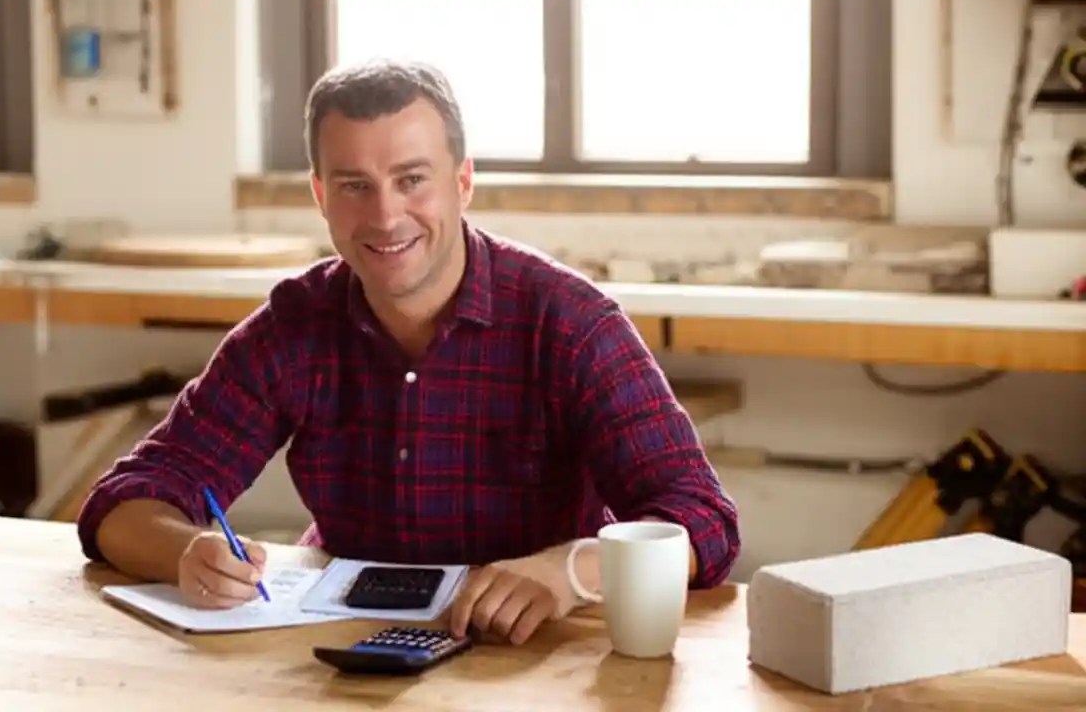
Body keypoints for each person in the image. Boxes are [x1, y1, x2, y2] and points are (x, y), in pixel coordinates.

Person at [77, 59, 740, 645]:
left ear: (463, 181)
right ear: (319, 196)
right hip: (340, 652)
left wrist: (567, 573)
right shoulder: (294, 326)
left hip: (531, 654)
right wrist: (186, 551)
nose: (386, 216)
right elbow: (123, 503)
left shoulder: (568, 322)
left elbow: (702, 520)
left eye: (411, 180)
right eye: (354, 185)